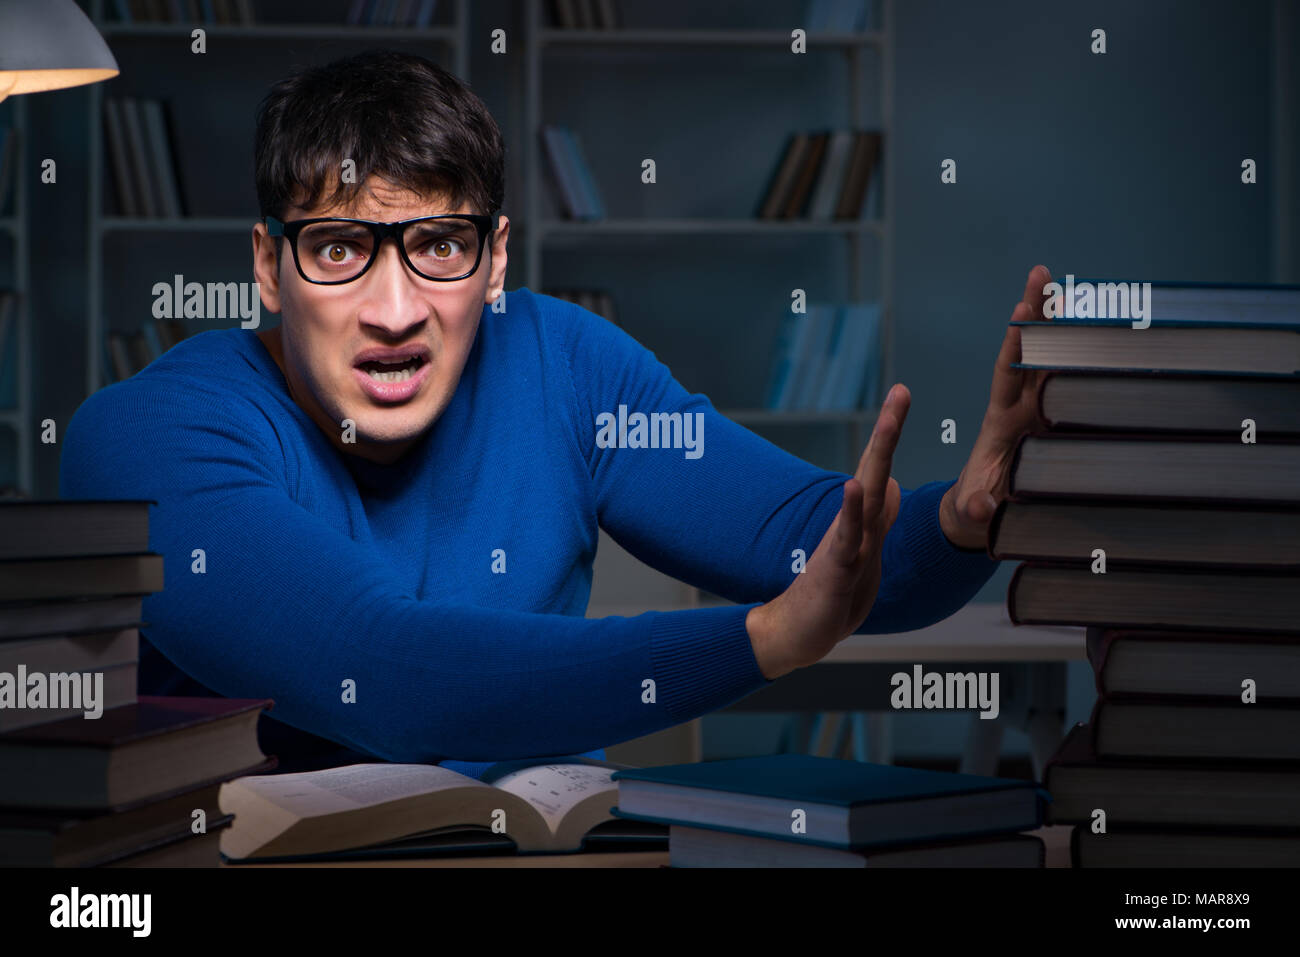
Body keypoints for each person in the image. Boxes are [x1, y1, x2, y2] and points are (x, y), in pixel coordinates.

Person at [60, 50, 1051, 778]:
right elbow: (386, 675)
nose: (394, 308)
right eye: (336, 248)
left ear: (495, 260)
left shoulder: (561, 362)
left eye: (438, 246)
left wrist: (962, 518)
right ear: (268, 267)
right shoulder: (145, 441)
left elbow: (816, 546)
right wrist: (760, 642)